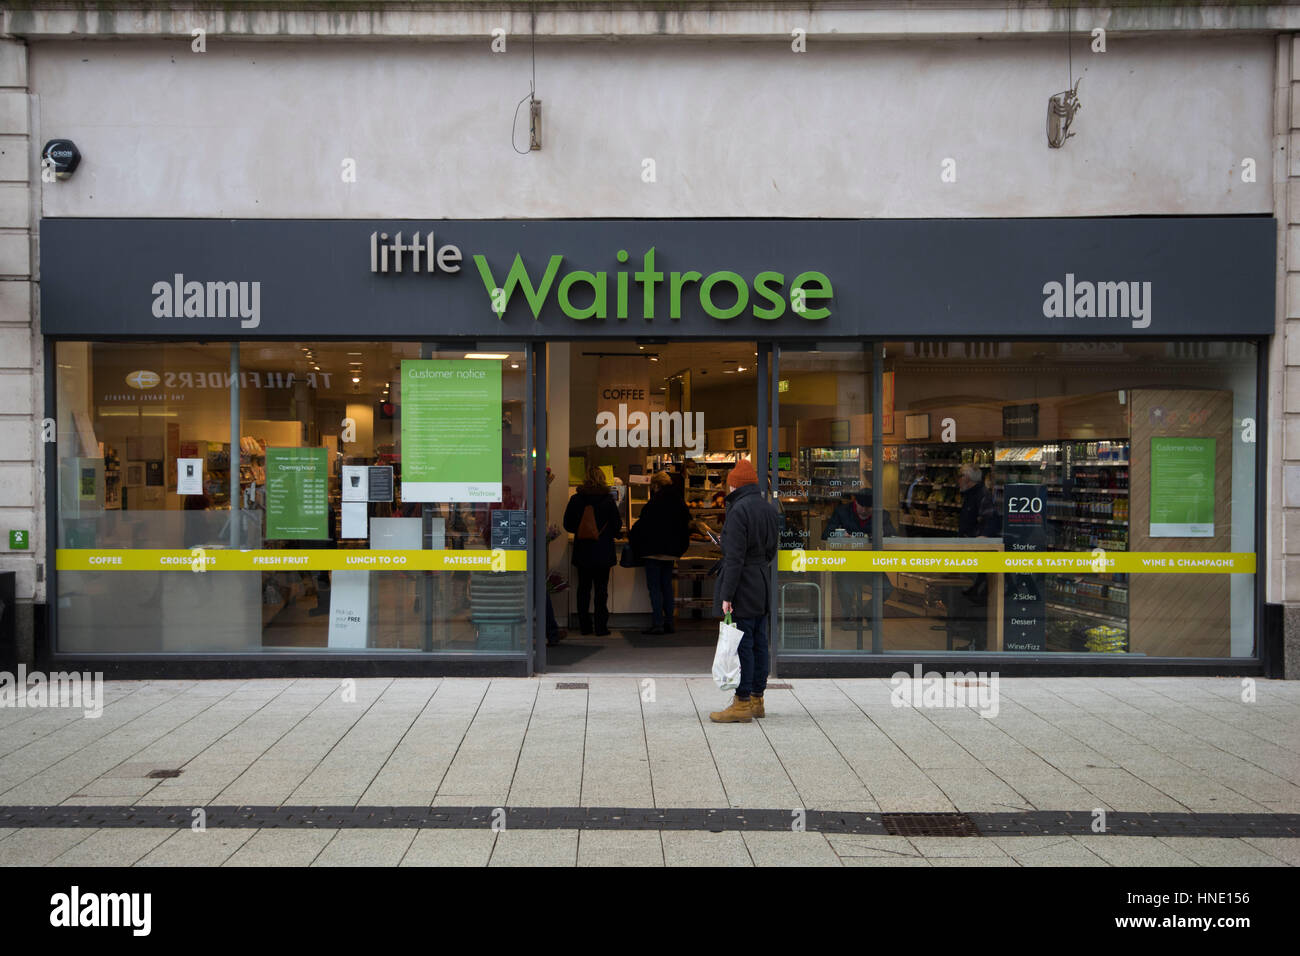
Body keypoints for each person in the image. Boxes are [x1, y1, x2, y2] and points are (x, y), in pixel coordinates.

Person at [709, 458, 779, 724]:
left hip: (742, 585)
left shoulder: (738, 510)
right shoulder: (768, 508)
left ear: (734, 485)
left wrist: (726, 595)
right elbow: (771, 551)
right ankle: (757, 700)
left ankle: (741, 703)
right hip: (761, 582)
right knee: (760, 642)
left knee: (742, 645)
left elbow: (735, 559)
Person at [821, 488, 895, 627]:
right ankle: (848, 618)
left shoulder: (882, 515)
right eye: (862, 506)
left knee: (886, 588)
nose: (864, 511)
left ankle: (867, 611)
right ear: (856, 502)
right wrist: (840, 535)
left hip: (869, 563)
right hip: (847, 563)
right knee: (847, 590)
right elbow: (825, 534)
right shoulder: (842, 512)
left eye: (869, 508)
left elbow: (891, 534)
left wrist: (879, 535)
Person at [629, 471, 691, 634]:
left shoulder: (654, 502)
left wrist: (633, 538)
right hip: (671, 552)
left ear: (656, 486)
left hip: (653, 551)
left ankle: (658, 624)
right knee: (667, 587)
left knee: (655, 588)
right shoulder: (679, 501)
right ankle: (669, 622)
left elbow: (641, 526)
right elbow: (686, 525)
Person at [563, 466, 622, 636]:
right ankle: (601, 627)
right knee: (601, 590)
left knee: (583, 589)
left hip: (583, 551)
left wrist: (582, 530)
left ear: (585, 479)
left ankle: (585, 626)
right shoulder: (608, 500)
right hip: (603, 551)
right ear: (602, 479)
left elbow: (568, 524)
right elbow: (617, 525)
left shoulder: (576, 499)